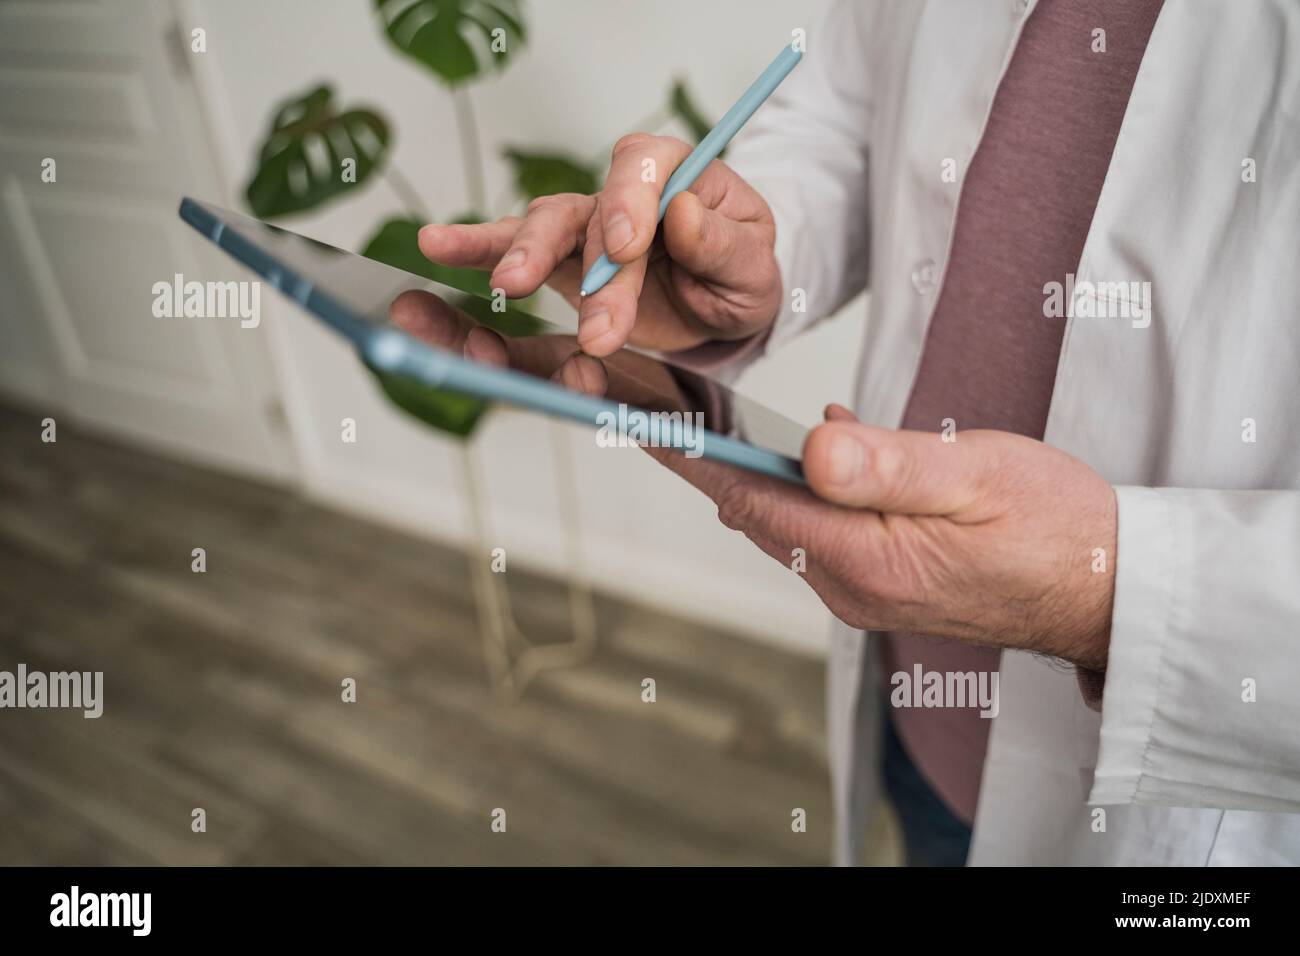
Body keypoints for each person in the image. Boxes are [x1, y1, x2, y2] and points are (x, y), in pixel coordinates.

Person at [408, 0, 1300, 865]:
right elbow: (845, 117)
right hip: (919, 705)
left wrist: (1109, 594)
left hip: (1183, 817)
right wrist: (737, 257)